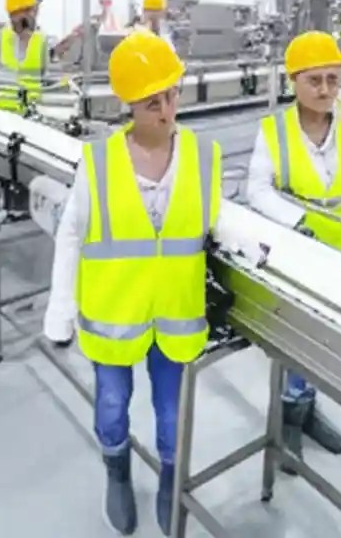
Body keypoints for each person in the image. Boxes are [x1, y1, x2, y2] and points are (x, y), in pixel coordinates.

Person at [42, 31, 221, 536]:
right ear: (128, 105)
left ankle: (169, 480)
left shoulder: (205, 158)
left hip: (176, 319)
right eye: (151, 103)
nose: (167, 111)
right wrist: (60, 312)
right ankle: (117, 475)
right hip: (114, 318)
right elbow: (71, 236)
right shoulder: (97, 163)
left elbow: (216, 228)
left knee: (171, 416)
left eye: (172, 95)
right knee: (113, 408)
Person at [247, 31, 341, 470]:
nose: (325, 90)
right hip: (299, 252)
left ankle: (307, 412)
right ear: (294, 82)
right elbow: (257, 190)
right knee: (296, 341)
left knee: (326, 340)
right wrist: (297, 224)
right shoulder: (274, 131)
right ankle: (288, 419)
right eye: (314, 81)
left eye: (332, 80)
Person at [0, 0, 49, 114]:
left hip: (32, 113)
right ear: (13, 14)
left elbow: (44, 77)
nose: (31, 15)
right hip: (3, 113)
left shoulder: (41, 40)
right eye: (26, 11)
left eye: (32, 10)